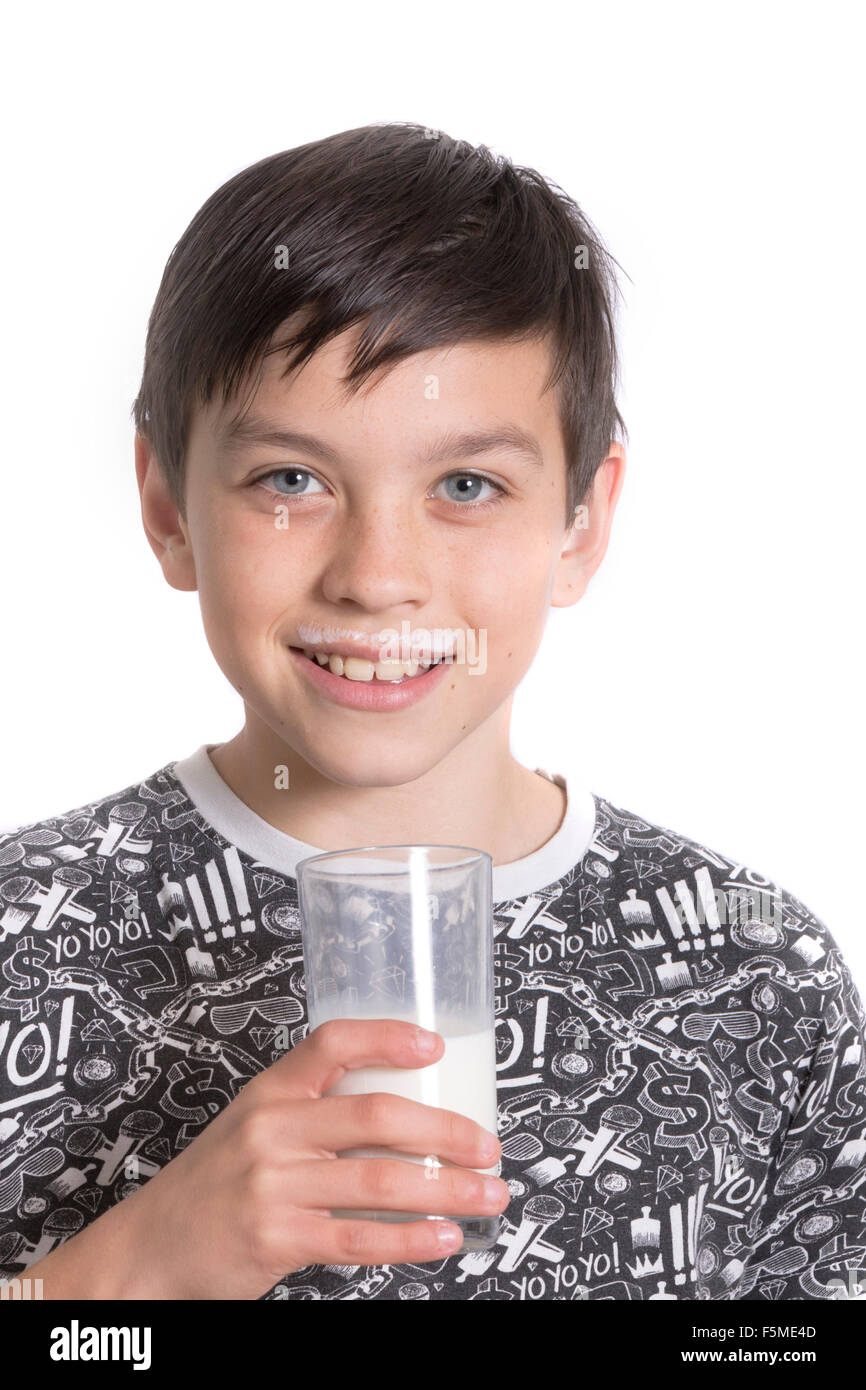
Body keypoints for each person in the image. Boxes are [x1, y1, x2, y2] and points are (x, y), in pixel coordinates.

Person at [1, 122, 863, 1302]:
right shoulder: (24, 936)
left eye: (466, 485)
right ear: (166, 505)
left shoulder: (759, 977)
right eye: (290, 479)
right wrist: (134, 1271)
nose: (377, 573)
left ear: (580, 519)